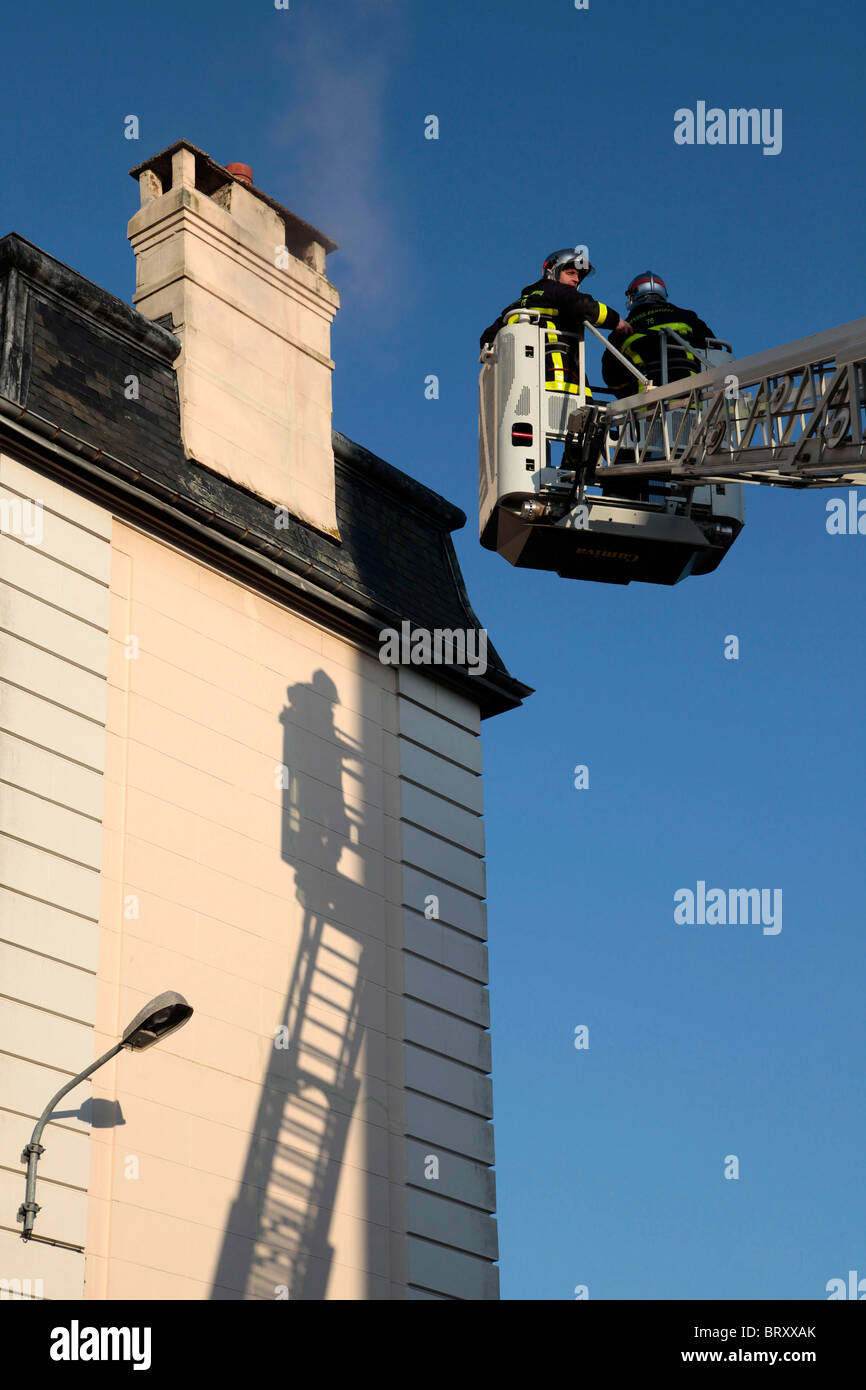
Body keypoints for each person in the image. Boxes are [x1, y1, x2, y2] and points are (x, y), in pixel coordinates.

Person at [481, 248, 631, 398]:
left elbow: (487, 338)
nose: (577, 279)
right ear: (553, 271)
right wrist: (617, 321)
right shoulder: (556, 291)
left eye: (579, 275)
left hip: (522, 390)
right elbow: (583, 305)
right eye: (571, 273)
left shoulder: (517, 306)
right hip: (563, 386)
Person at [601, 271, 714, 398]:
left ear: (634, 296)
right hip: (693, 402)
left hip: (647, 408)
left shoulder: (621, 330)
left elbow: (612, 378)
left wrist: (630, 394)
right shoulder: (688, 317)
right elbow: (714, 351)